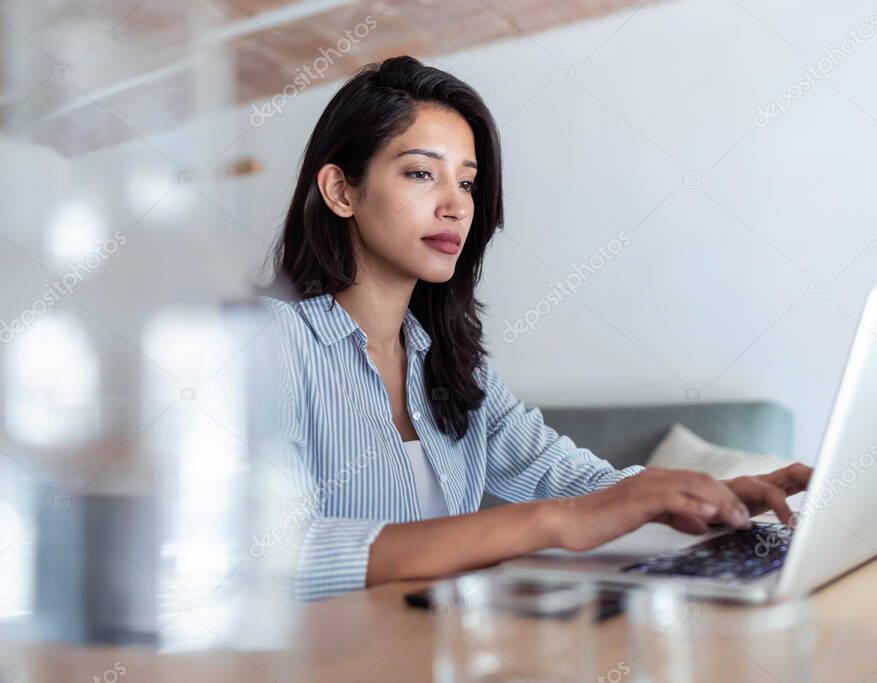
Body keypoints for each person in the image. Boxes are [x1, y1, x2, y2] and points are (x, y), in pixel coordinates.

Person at [259, 55, 812, 601]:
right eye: (422, 173)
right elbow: (271, 552)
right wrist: (553, 522)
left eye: (468, 183)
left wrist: (688, 495)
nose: (456, 205)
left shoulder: (445, 358)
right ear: (340, 191)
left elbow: (556, 472)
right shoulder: (268, 347)